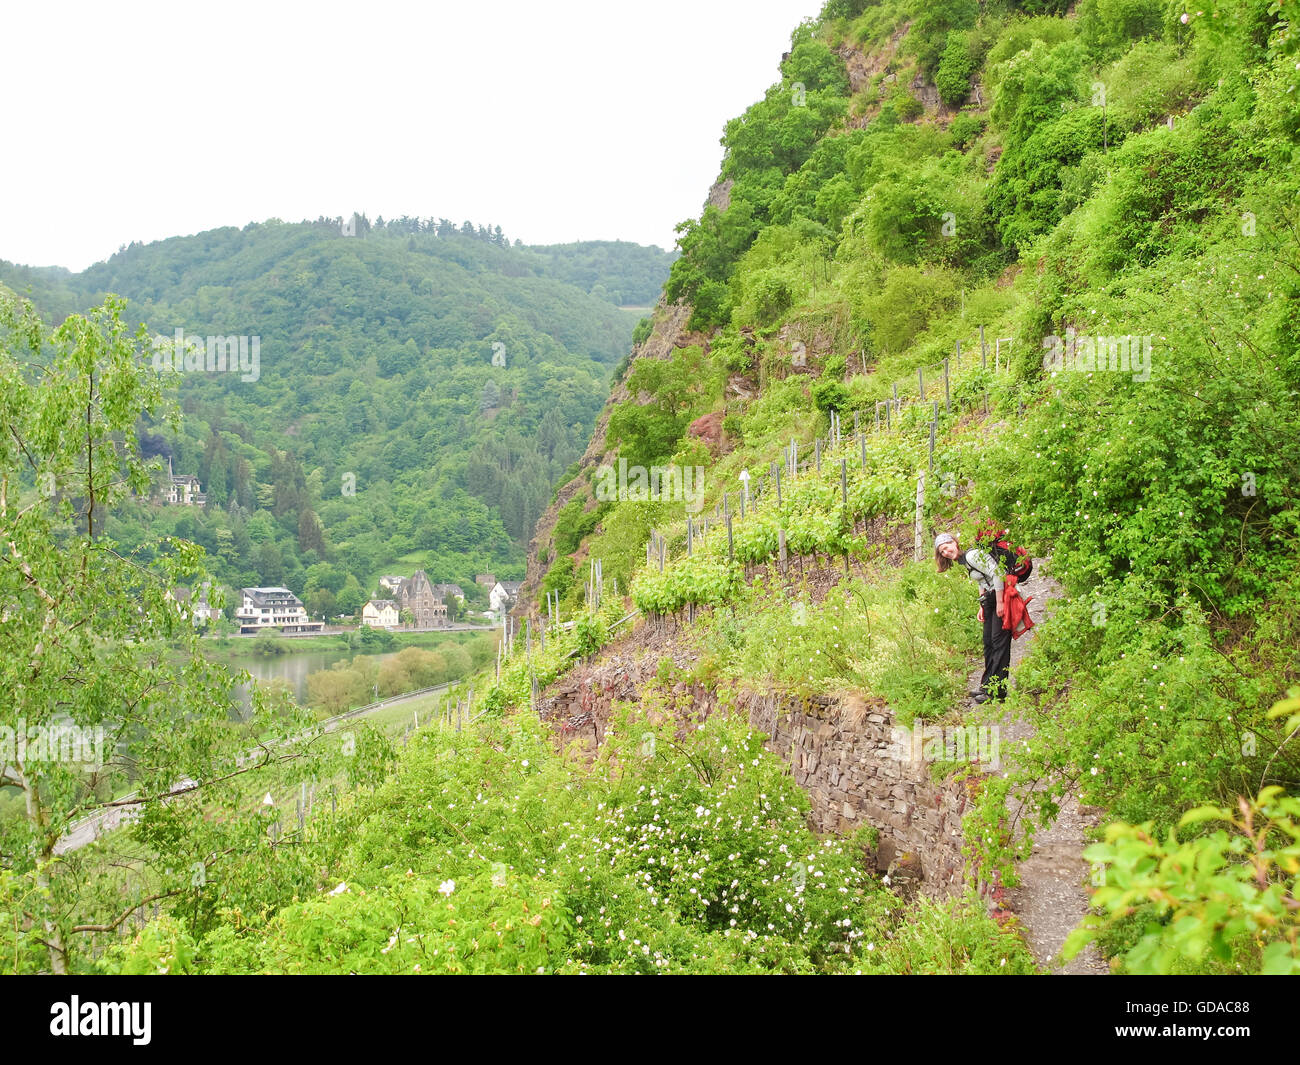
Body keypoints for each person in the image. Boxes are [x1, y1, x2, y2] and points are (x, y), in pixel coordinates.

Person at [934, 531, 1011, 703]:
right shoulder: (965, 560)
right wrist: (982, 606)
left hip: (1001, 596)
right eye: (942, 552)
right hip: (990, 599)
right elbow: (981, 580)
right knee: (989, 643)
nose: (946, 553)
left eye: (946, 548)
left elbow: (998, 573)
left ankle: (997, 692)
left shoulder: (972, 555)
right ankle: (987, 686)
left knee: (999, 644)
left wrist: (1000, 602)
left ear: (954, 542)